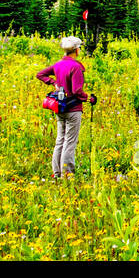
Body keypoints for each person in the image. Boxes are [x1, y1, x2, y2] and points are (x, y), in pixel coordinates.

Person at [36, 36, 97, 178]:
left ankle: (57, 173)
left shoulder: (58, 65)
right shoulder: (76, 67)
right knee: (70, 141)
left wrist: (53, 82)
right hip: (73, 108)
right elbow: (77, 91)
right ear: (76, 50)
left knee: (60, 140)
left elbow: (40, 74)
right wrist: (89, 98)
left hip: (60, 107)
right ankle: (67, 174)